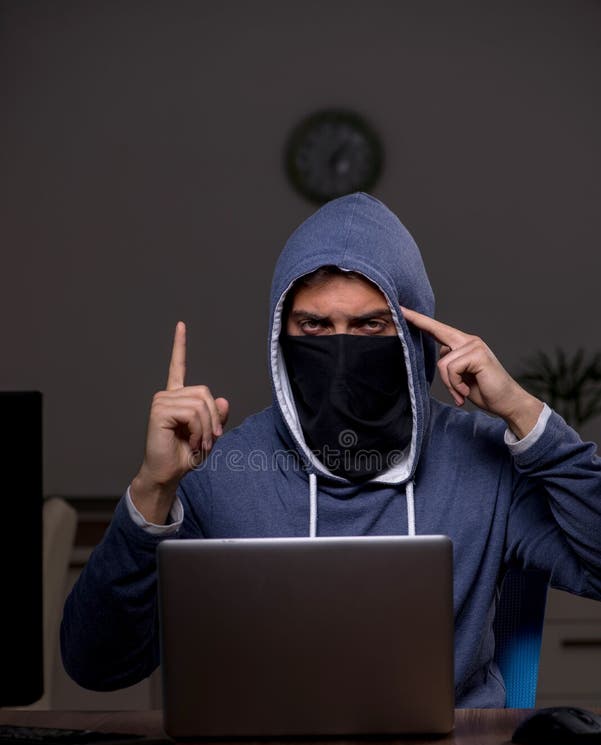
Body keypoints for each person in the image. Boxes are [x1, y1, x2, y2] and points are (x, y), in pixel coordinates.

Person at [60, 191, 601, 707]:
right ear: (281, 337)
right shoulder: (215, 466)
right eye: (315, 326)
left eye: (370, 326)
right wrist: (153, 490)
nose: (342, 351)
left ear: (414, 338)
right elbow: (99, 666)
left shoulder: (484, 461)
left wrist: (527, 415)